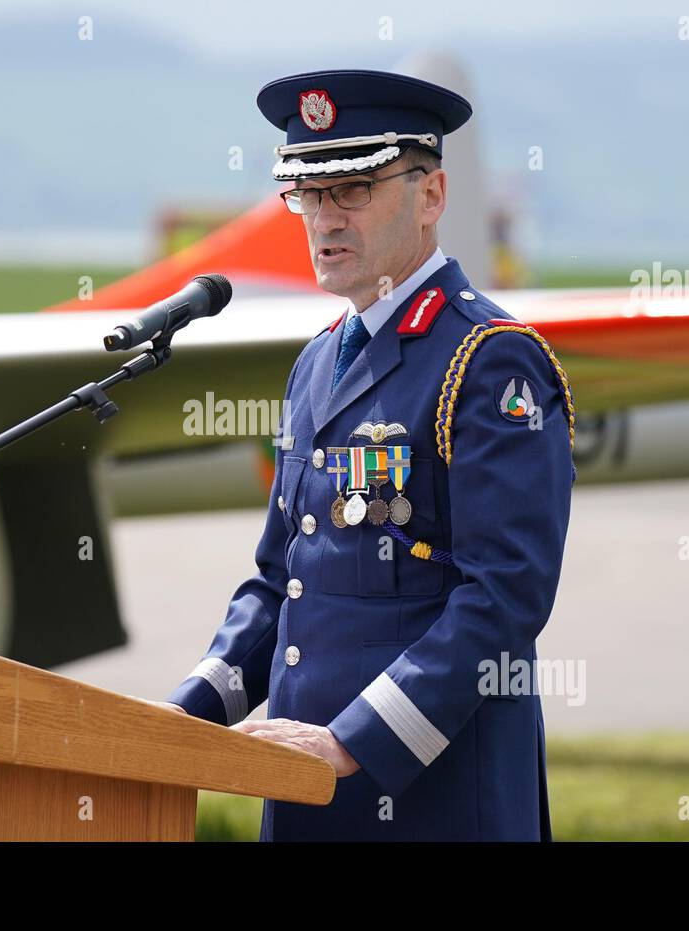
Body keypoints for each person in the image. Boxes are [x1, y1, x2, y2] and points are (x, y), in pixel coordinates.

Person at [158, 69, 576, 841]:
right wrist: (186, 712)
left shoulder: (489, 361)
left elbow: (507, 594)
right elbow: (281, 578)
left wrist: (353, 741)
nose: (324, 218)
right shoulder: (318, 361)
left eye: (352, 189)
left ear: (431, 195)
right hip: (302, 783)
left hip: (437, 798)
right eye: (307, 194)